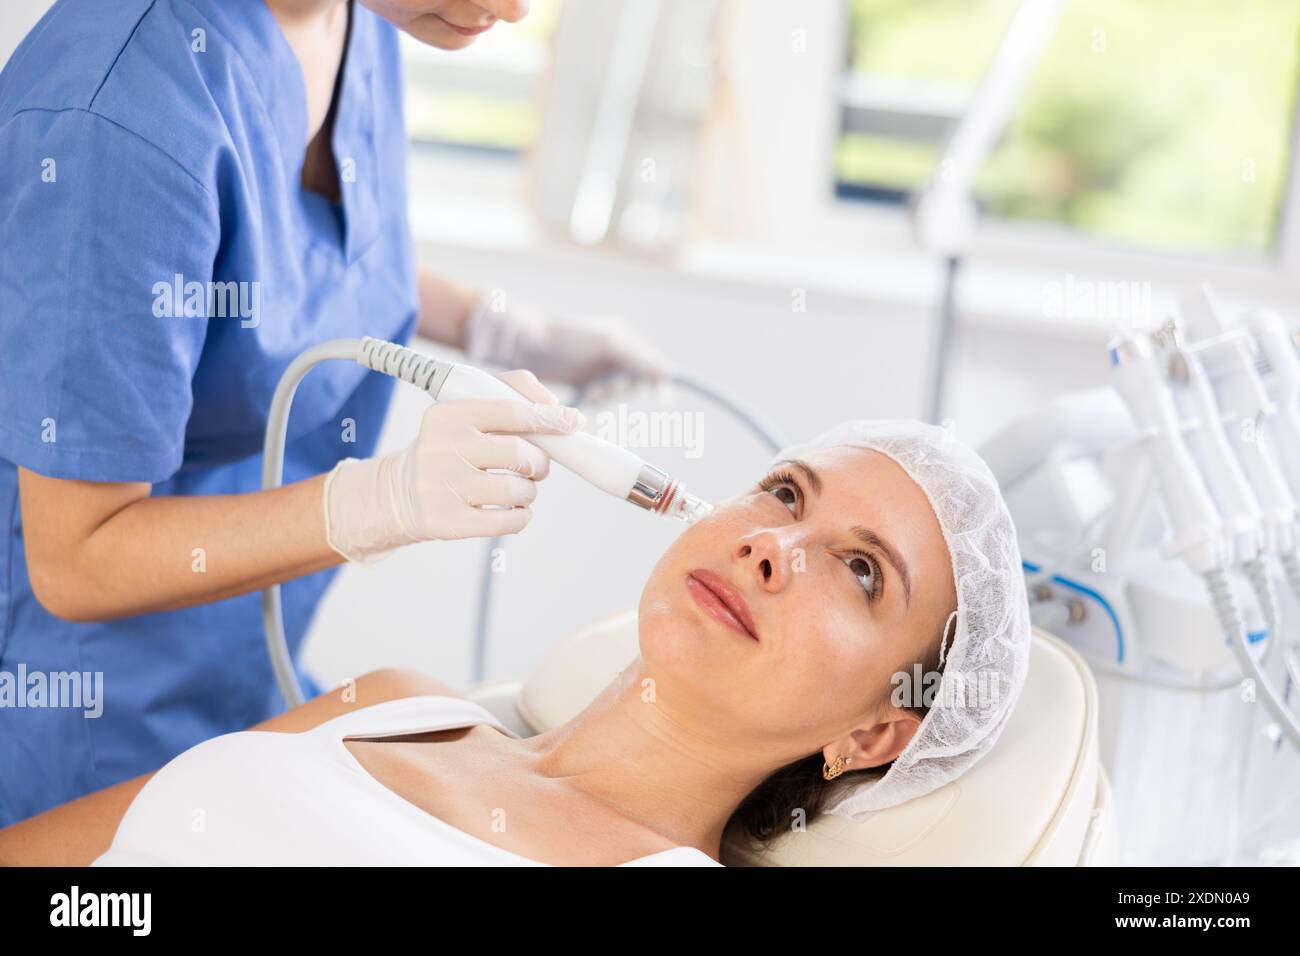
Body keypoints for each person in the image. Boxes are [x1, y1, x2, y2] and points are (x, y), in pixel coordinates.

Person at [0, 0, 669, 827]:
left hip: (235, 661)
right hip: (82, 705)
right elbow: (76, 561)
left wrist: (501, 327)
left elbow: (292, 261)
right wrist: (377, 501)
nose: (513, 8)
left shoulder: (354, 15)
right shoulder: (118, 118)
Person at [0, 419, 1033, 866]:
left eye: (861, 571)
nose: (772, 543)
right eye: (783, 492)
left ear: (875, 730)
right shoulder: (392, 704)